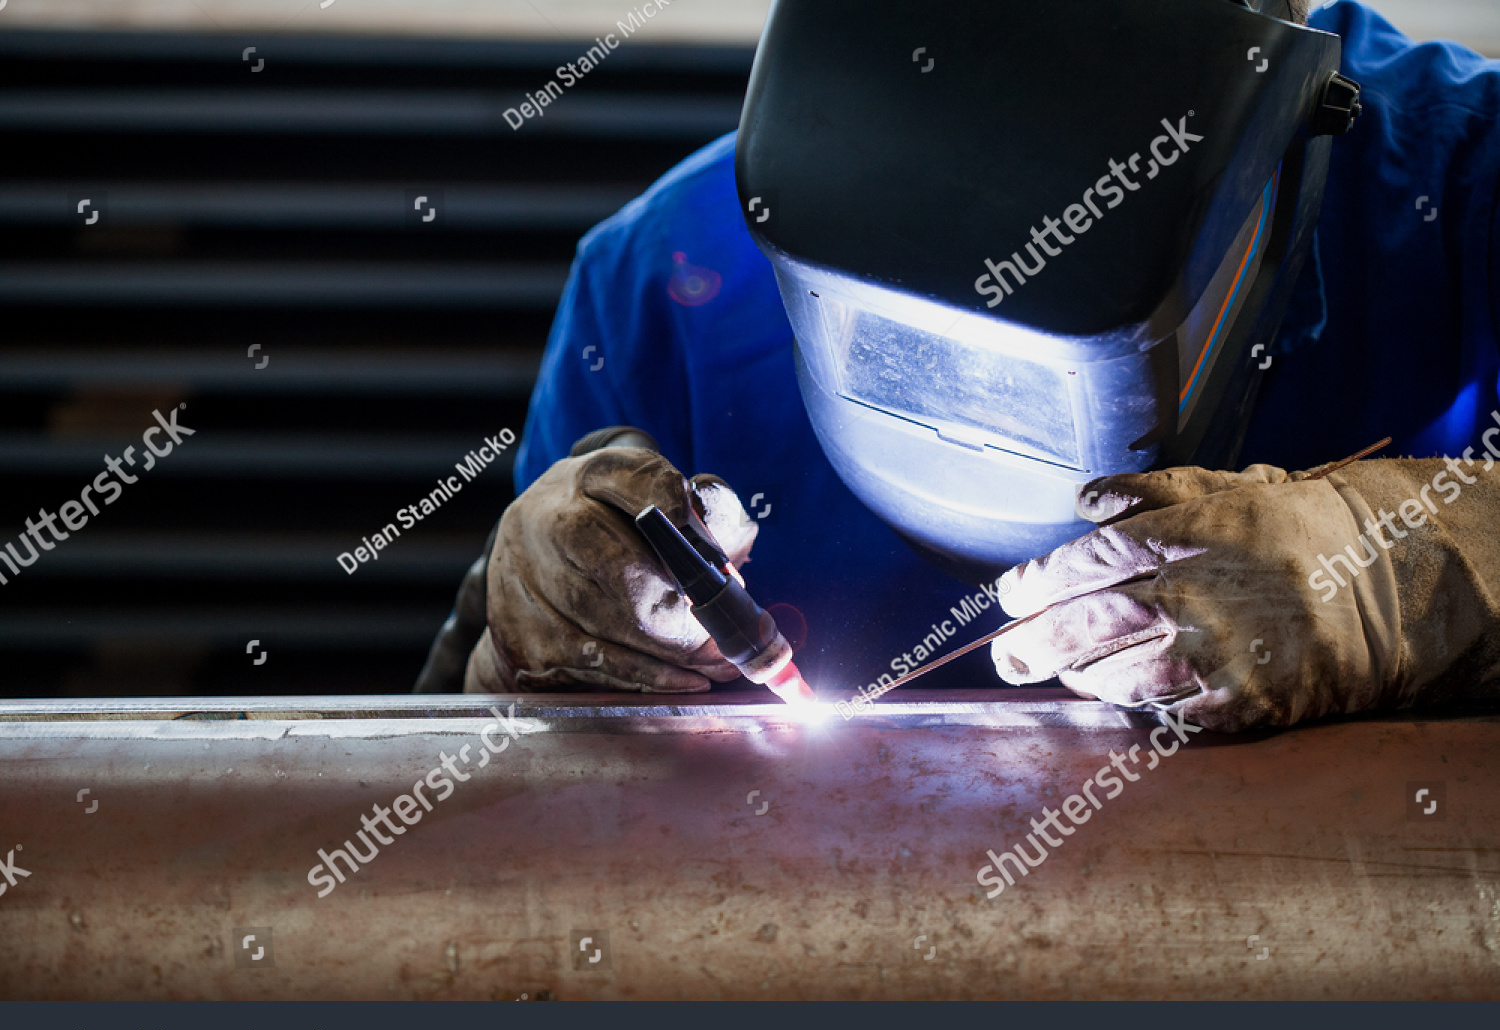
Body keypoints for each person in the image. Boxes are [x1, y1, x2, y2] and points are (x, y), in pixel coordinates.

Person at [428, 0, 1500, 733]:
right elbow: (483, 825)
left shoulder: (1461, 197)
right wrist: (531, 647)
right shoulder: (666, 283)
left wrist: (1417, 575)